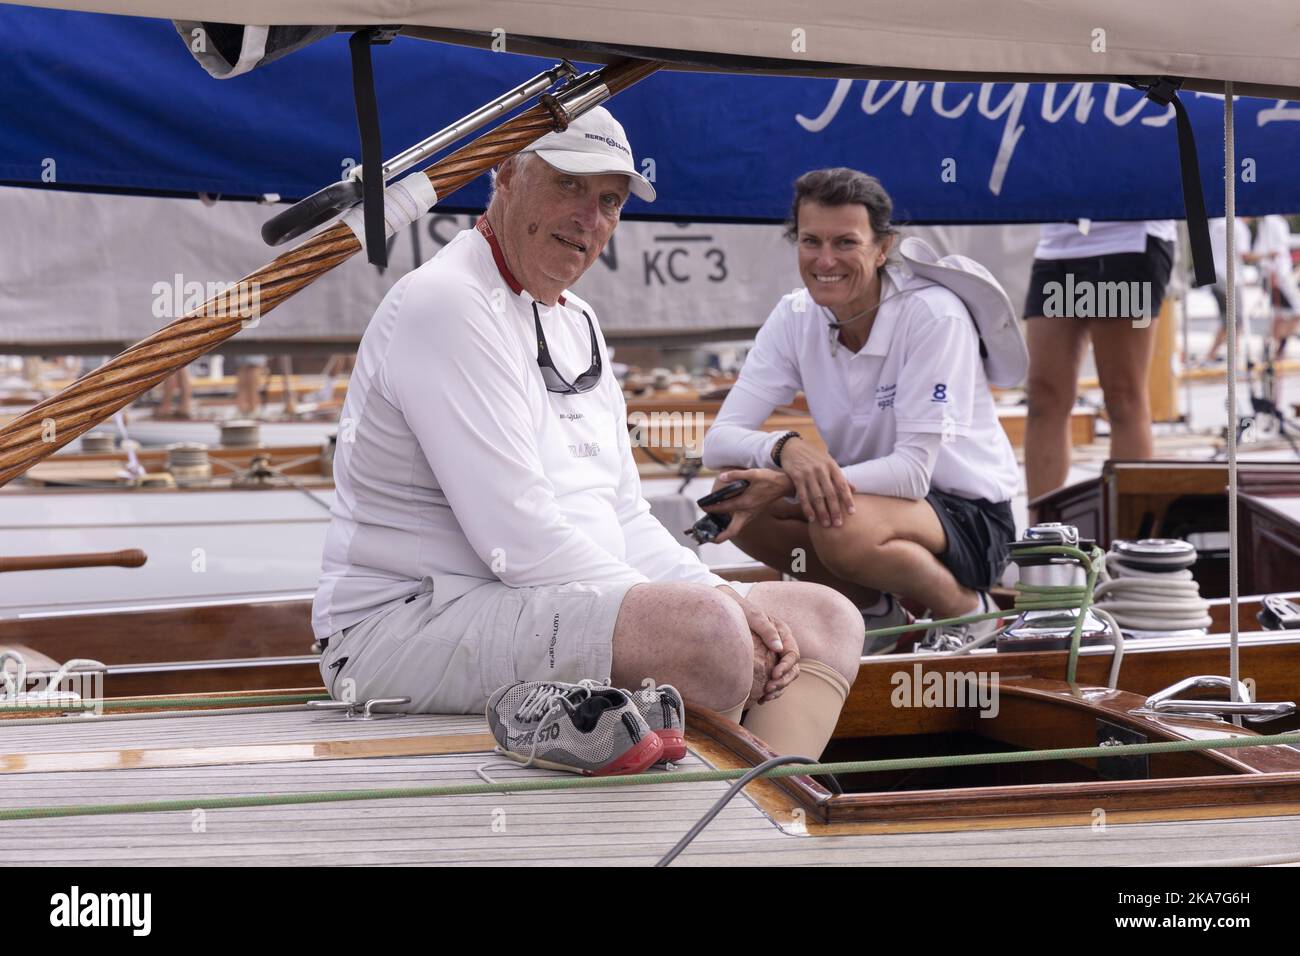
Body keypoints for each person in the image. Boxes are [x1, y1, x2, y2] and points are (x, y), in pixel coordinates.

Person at [311, 108, 862, 764]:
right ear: (505, 174)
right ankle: (711, 821)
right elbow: (517, 543)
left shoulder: (580, 322)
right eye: (569, 185)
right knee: (709, 637)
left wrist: (713, 591)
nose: (590, 217)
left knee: (828, 619)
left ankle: (763, 820)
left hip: (538, 604)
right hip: (404, 628)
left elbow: (623, 514)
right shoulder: (448, 302)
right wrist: (703, 608)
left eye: (609, 200)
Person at [700, 168, 1022, 654]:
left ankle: (970, 614)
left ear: (883, 248)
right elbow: (718, 442)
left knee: (839, 528)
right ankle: (875, 619)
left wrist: (792, 477)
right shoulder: (795, 314)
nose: (825, 260)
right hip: (870, 505)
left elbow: (914, 475)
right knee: (736, 496)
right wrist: (785, 449)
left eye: (846, 243)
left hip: (973, 520)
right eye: (811, 241)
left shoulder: (933, 314)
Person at [1022, 220, 1177, 501]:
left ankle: (1131, 536)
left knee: (1122, 397)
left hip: (1128, 238)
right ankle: (1043, 535)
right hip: (1058, 244)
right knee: (1043, 397)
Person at [1198, 216, 1253, 366]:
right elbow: (1245, 254)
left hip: (1213, 275)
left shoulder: (1216, 223)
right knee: (1236, 318)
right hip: (1231, 278)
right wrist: (1269, 255)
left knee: (1228, 318)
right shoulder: (1240, 227)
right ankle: (1232, 358)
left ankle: (1213, 355)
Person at [1253, 214, 1300, 356]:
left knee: (1280, 313)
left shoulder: (1275, 222)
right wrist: (1271, 272)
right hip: (1277, 276)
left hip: (1278, 275)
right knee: (1293, 312)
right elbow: (1269, 250)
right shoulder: (1272, 221)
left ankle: (1274, 346)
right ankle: (1275, 346)